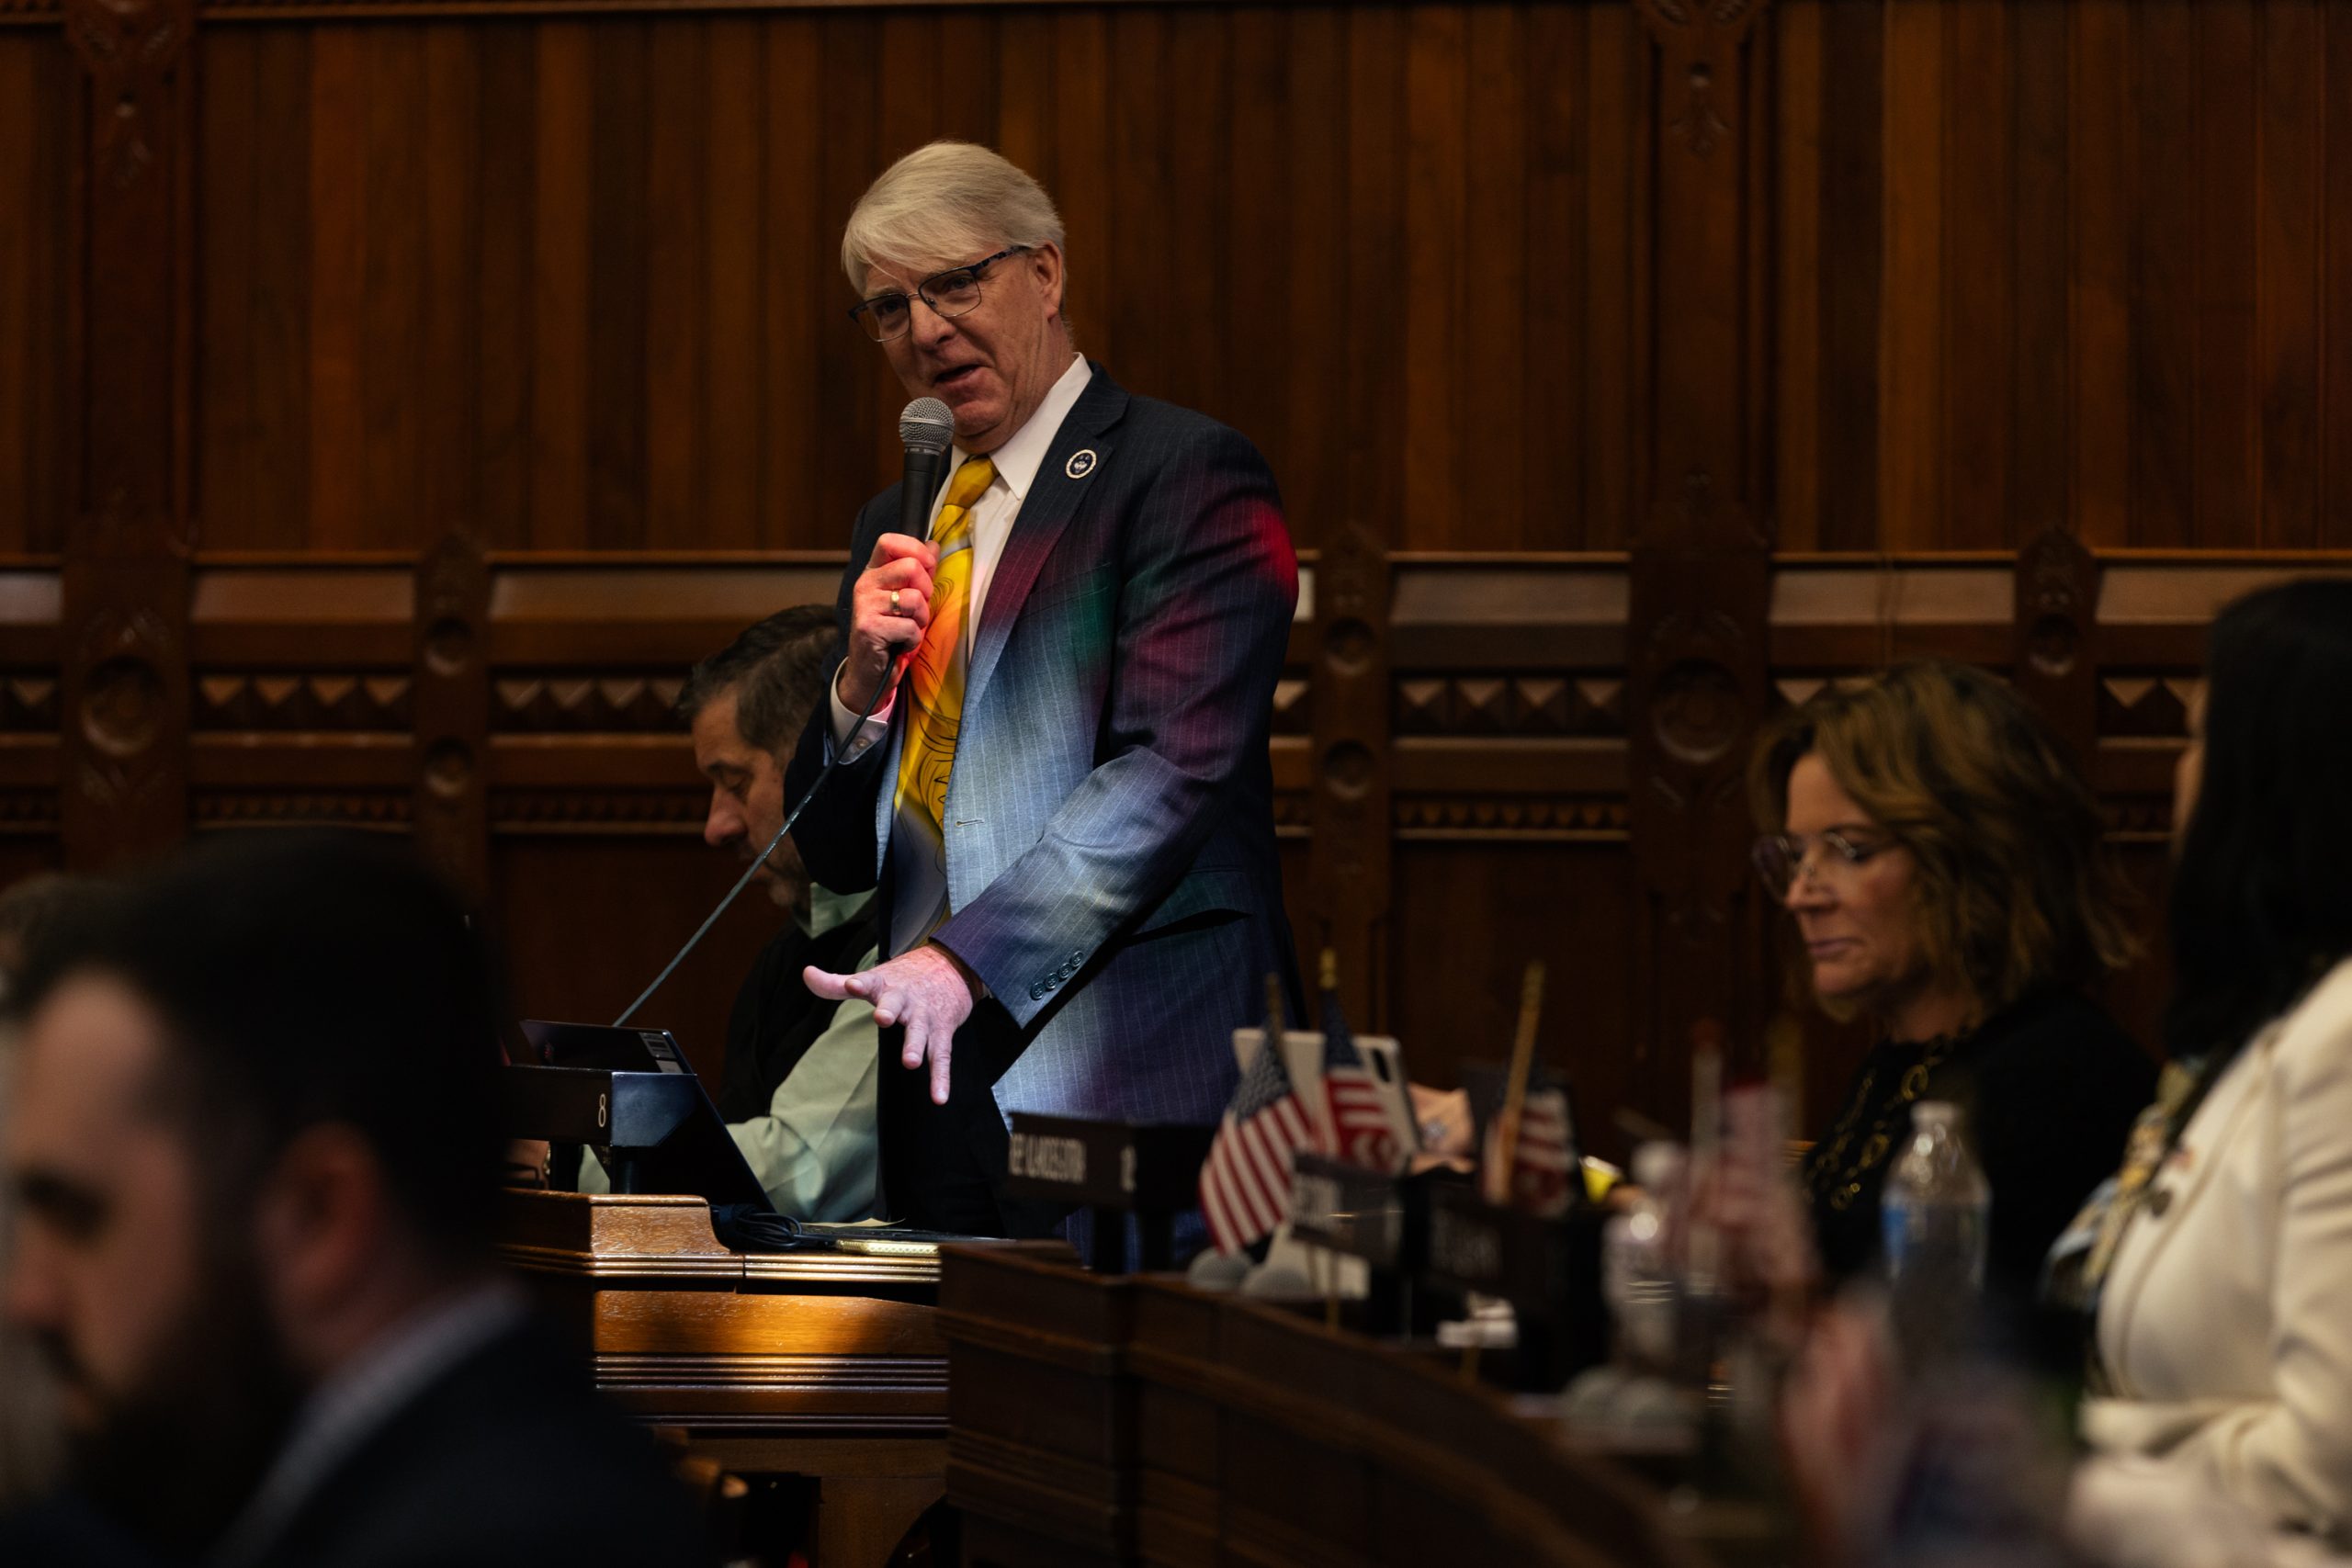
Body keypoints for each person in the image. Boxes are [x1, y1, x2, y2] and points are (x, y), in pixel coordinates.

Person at [785, 141, 1302, 1235]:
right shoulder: (898, 515)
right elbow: (832, 851)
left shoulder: (1182, 474)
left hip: (1123, 1074)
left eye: (955, 284)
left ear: (1047, 274)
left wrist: (960, 965)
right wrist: (855, 687)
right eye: (889, 306)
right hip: (930, 1078)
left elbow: (1169, 774)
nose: (924, 331)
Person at [0, 832, 711, 1567]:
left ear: (319, 1216)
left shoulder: (510, 1539)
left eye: (77, 1217)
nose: (28, 1298)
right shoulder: (348, 1480)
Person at [2061, 579, 2352, 1546]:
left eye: (2196, 741)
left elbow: (2329, 1465)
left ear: (2268, 775)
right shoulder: (2276, 1025)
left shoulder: (2343, 1038)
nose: (2178, 777)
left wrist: (2080, 1448)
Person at [1749, 660, 2154, 1305]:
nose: (1801, 894)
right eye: (1796, 856)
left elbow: (1968, 1358)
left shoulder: (2062, 1077)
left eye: (1850, 849)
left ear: (1974, 857)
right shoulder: (1900, 1058)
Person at [577, 605, 883, 1222]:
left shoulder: (909, 948)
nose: (715, 826)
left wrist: (561, 1153)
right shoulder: (785, 955)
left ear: (813, 764)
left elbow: (792, 1177)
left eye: (734, 781)